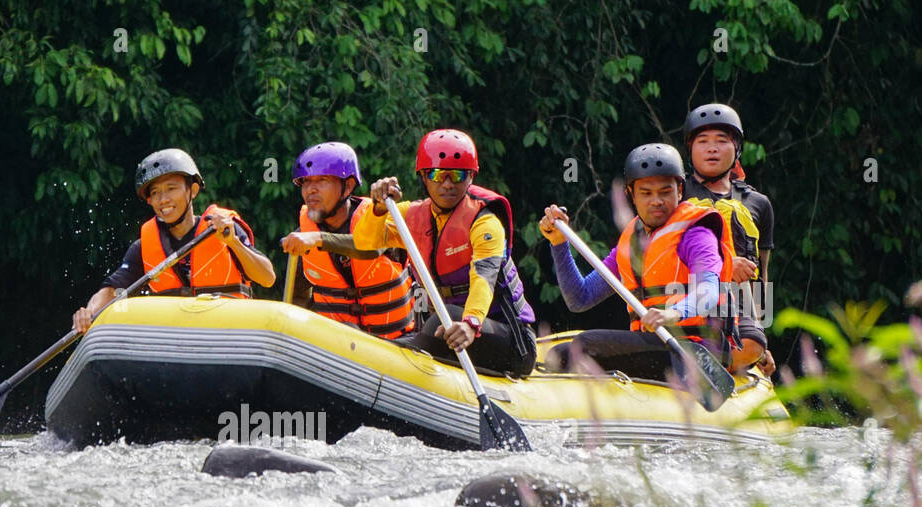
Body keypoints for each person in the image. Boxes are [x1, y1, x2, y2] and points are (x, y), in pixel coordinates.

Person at [539, 143, 735, 382]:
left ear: (680, 191)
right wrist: (559, 244)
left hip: (694, 350)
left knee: (584, 345)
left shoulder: (696, 235)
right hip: (658, 347)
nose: (656, 201)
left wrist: (673, 313)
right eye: (646, 193)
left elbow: (708, 291)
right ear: (631, 195)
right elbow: (580, 298)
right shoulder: (631, 243)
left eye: (665, 192)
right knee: (561, 353)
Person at [357, 129, 537, 377]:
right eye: (438, 174)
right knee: (430, 326)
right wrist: (377, 207)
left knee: (448, 318)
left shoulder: (485, 222)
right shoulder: (411, 215)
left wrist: (471, 323)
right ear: (423, 177)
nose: (448, 184)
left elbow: (484, 277)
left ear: (471, 177)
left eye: (458, 175)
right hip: (446, 335)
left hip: (510, 343)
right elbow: (365, 242)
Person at [73, 149, 275, 332]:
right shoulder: (143, 247)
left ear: (192, 190)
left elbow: (267, 278)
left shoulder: (223, 228)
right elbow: (112, 289)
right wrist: (89, 312)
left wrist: (234, 243)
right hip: (177, 342)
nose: (163, 200)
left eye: (171, 188)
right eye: (155, 193)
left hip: (229, 334)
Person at [278, 142, 415, 338]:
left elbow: (369, 248)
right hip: (340, 351)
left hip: (398, 343)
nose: (310, 190)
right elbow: (298, 299)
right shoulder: (303, 236)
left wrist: (318, 239)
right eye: (305, 182)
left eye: (321, 180)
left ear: (347, 186)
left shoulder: (379, 218)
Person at [682, 103, 776, 375]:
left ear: (737, 149)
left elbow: (761, 277)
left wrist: (762, 339)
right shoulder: (675, 192)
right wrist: (724, 266)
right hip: (683, 300)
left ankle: (729, 361)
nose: (712, 148)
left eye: (721, 141)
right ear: (690, 150)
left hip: (736, 317)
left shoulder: (758, 204)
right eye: (703, 141)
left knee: (753, 341)